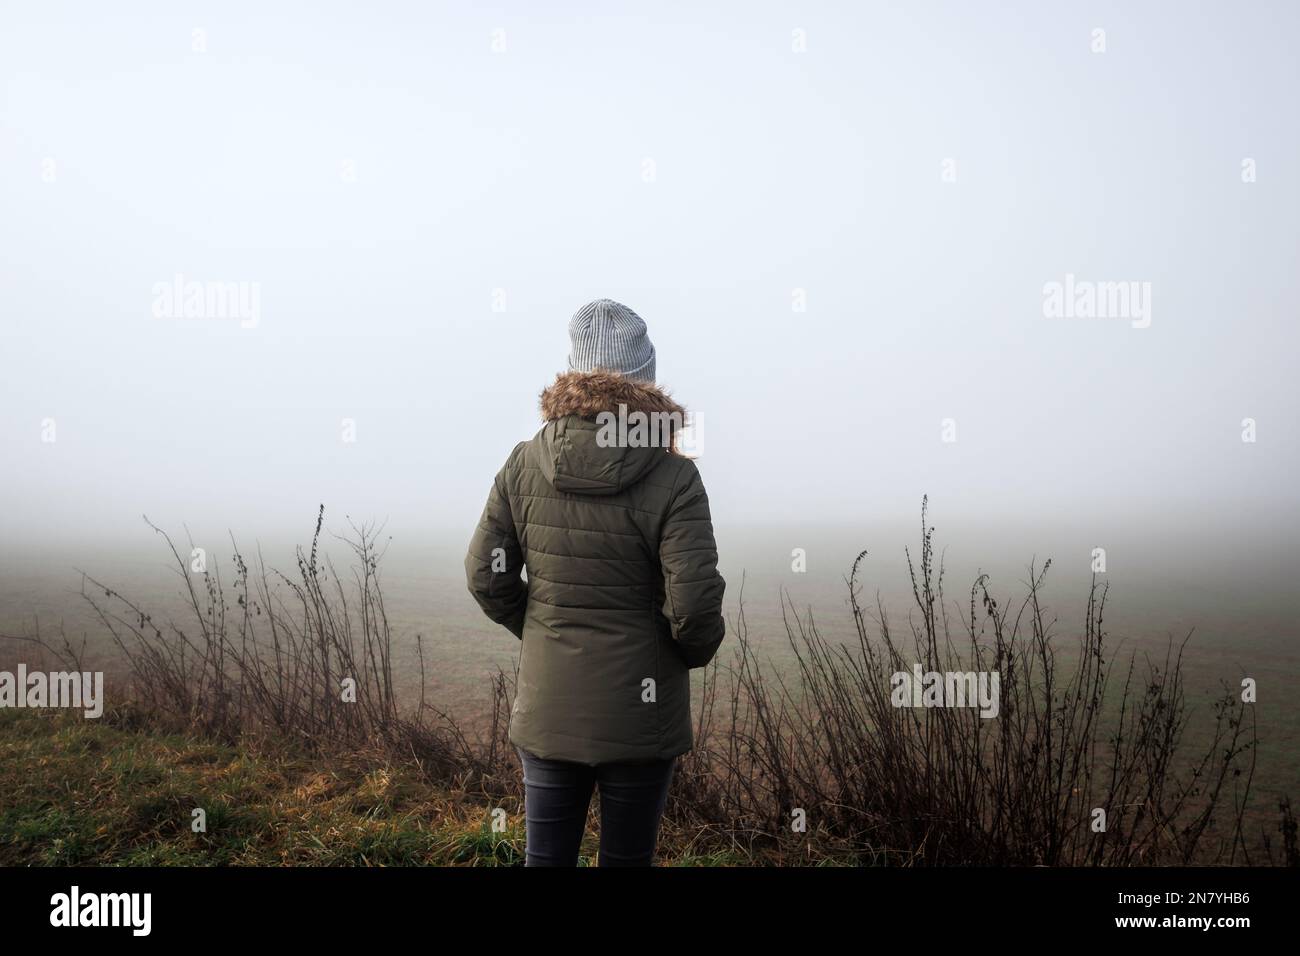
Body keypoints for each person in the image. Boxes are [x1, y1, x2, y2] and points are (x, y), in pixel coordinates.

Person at [465, 298, 726, 866]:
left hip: (549, 706)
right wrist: (680, 654)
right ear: (646, 380)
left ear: (574, 374)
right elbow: (695, 606)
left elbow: (487, 574)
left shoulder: (523, 461)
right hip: (642, 712)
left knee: (546, 859)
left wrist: (541, 630)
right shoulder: (675, 475)